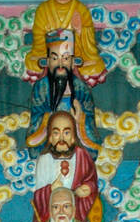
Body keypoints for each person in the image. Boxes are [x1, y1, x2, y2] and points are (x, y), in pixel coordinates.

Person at [24, 0, 106, 87]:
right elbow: (39, 48)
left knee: (95, 65)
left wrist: (80, 31)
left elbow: (90, 51)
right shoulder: (43, 10)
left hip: (75, 61)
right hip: (51, 60)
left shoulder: (81, 10)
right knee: (33, 62)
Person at [27, 28, 99, 160]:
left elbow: (90, 123)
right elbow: (35, 120)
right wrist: (50, 120)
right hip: (49, 143)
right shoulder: (41, 87)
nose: (60, 64)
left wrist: (79, 120)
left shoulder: (81, 88)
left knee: (87, 156)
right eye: (55, 58)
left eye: (65, 58)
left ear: (72, 62)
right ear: (48, 62)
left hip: (74, 142)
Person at [32, 110, 101, 222]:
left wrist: (88, 188)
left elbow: (91, 180)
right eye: (56, 133)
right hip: (53, 216)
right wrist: (50, 190)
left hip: (76, 214)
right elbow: (38, 197)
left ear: (74, 137)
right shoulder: (44, 160)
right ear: (50, 137)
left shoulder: (82, 156)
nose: (62, 138)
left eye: (67, 132)